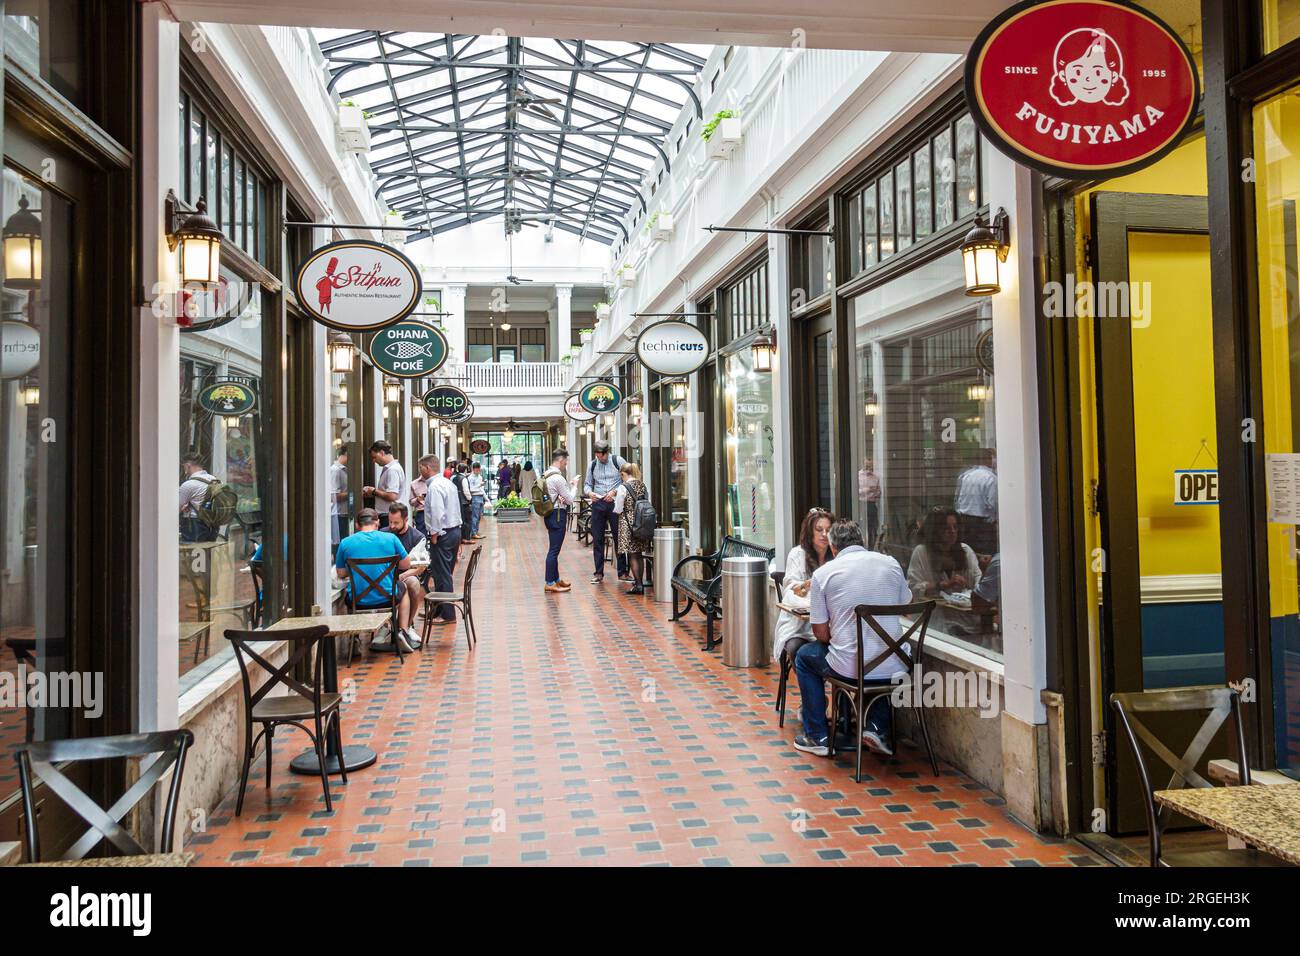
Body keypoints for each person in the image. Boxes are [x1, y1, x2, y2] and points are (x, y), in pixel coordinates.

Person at [794, 519, 912, 758]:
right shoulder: (890, 564)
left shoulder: (824, 574)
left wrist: (841, 632)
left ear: (834, 548)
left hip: (850, 668)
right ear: (863, 542)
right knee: (877, 659)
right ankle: (876, 727)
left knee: (804, 656)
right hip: (897, 665)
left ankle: (817, 735)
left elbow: (820, 634)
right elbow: (905, 605)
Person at [335, 508, 419, 653]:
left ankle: (354, 640)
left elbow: (341, 572)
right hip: (387, 597)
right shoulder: (391, 539)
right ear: (378, 523)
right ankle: (403, 631)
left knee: (348, 595)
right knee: (403, 588)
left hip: (357, 599)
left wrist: (357, 569)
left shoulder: (345, 543)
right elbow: (406, 564)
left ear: (357, 525)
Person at [774, 508, 833, 665]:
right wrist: (809, 584)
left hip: (831, 625)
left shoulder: (836, 556)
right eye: (819, 530)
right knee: (796, 649)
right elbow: (790, 589)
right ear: (810, 532)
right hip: (799, 626)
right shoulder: (797, 554)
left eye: (828, 530)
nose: (824, 534)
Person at [421, 455, 463, 627]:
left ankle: (447, 614)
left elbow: (438, 512)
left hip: (443, 534)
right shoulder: (447, 483)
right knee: (442, 573)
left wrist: (435, 533)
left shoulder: (435, 487)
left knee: (442, 574)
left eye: (421, 468)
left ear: (426, 468)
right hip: (454, 532)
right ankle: (438, 608)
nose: (420, 471)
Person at [908, 506, 981, 601]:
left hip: (963, 613)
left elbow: (978, 582)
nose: (952, 531)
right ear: (935, 531)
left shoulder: (966, 550)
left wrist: (968, 585)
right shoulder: (921, 552)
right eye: (946, 528)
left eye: (955, 527)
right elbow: (912, 588)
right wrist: (941, 585)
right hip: (934, 612)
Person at [584, 440, 629, 583]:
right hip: (598, 503)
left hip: (615, 503)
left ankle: (622, 572)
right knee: (597, 539)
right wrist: (589, 493)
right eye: (597, 456)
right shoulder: (592, 465)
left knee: (618, 537)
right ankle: (598, 573)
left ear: (607, 452)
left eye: (601, 456)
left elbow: (628, 480)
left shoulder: (617, 461)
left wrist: (615, 492)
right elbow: (587, 484)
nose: (600, 459)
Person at [383, 502, 427, 648]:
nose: (392, 526)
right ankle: (383, 628)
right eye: (390, 522)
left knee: (413, 584)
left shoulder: (417, 536)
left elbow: (421, 567)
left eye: (396, 522)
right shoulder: (384, 534)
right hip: (385, 577)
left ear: (406, 520)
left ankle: (407, 627)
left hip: (407, 574)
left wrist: (403, 575)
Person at [612, 461, 652, 595]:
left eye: (621, 475)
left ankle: (639, 584)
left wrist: (615, 499)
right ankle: (639, 581)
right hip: (642, 521)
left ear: (623, 474)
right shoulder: (642, 485)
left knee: (632, 554)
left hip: (628, 522)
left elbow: (618, 509)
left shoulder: (623, 487)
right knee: (639, 553)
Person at [954, 448, 998, 556]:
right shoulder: (991, 478)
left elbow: (957, 499)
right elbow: (992, 504)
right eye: (994, 458)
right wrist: (994, 520)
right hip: (982, 526)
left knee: (968, 555)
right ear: (988, 459)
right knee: (985, 557)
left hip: (965, 521)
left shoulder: (965, 476)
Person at [542, 449, 573, 593]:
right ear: (560, 461)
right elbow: (570, 499)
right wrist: (574, 486)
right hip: (558, 515)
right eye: (565, 462)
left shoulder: (546, 474)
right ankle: (549, 582)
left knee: (554, 548)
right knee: (554, 550)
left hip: (549, 514)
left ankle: (556, 579)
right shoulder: (558, 478)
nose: (565, 464)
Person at [363, 440, 406, 529]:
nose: (374, 461)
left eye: (375, 457)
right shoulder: (393, 468)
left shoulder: (392, 470)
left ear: (382, 453)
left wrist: (374, 491)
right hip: (389, 513)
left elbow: (392, 496)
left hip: (388, 515)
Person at [179, 455, 219, 543]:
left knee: (194, 552)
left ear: (188, 466)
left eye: (183, 466)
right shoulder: (214, 480)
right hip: (213, 525)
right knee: (208, 551)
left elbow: (177, 508)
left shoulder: (189, 484)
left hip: (194, 525)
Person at [329, 448, 349, 552]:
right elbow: (334, 496)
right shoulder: (335, 470)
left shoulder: (344, 470)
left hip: (345, 513)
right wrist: (352, 492)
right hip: (339, 514)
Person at [409, 456, 435, 536]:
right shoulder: (414, 484)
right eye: (419, 467)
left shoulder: (437, 482)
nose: (420, 470)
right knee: (421, 535)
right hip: (421, 512)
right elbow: (411, 501)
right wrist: (417, 499)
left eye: (421, 467)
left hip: (434, 511)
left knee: (435, 534)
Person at [858, 458, 881, 547]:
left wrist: (875, 492)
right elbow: (856, 491)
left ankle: (871, 547)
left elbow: (879, 492)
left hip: (871, 505)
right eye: (867, 466)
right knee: (861, 526)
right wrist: (867, 490)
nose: (869, 468)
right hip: (861, 504)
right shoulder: (858, 475)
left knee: (873, 527)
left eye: (870, 466)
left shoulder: (876, 476)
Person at [466, 462, 487, 539]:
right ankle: (473, 533)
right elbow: (471, 489)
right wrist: (479, 485)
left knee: (479, 516)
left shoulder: (480, 477)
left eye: (479, 469)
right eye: (477, 470)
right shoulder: (470, 478)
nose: (478, 471)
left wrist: (486, 499)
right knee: (474, 516)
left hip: (480, 497)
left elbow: (481, 489)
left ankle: (476, 531)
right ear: (473, 469)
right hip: (475, 497)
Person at [453, 461, 472, 543]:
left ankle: (460, 538)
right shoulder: (464, 479)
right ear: (465, 470)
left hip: (456, 502)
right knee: (467, 521)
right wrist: (470, 499)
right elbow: (466, 491)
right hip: (464, 503)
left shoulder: (454, 478)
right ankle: (466, 538)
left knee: (460, 520)